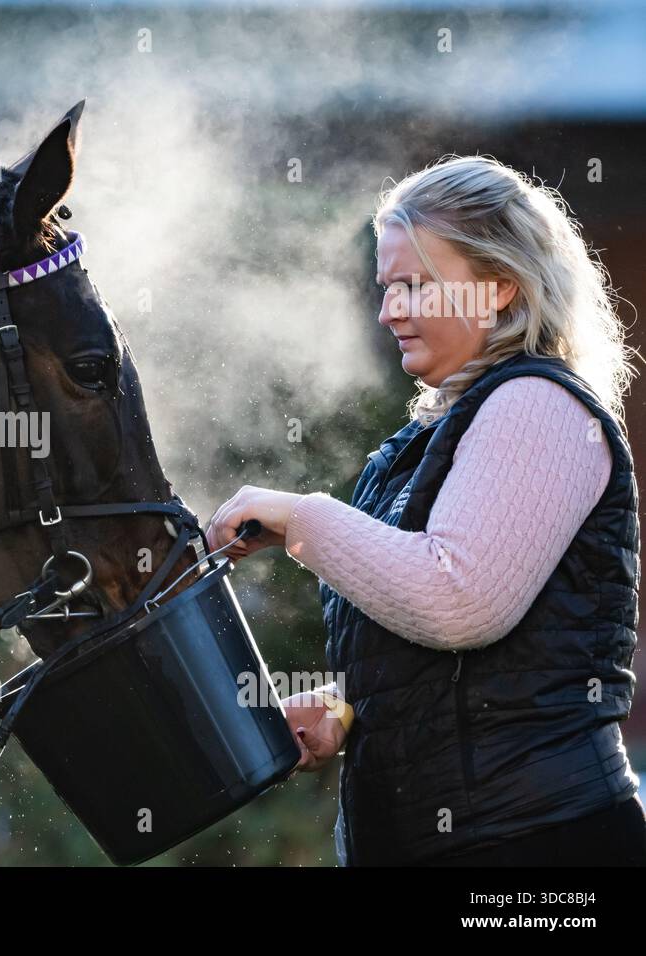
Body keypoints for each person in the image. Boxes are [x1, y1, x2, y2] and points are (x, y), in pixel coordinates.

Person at [208, 155, 645, 866]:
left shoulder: (538, 406)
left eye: (415, 285)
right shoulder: (430, 438)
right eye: (385, 288)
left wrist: (301, 517)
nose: (389, 311)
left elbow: (458, 601)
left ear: (499, 287)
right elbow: (458, 661)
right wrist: (350, 707)